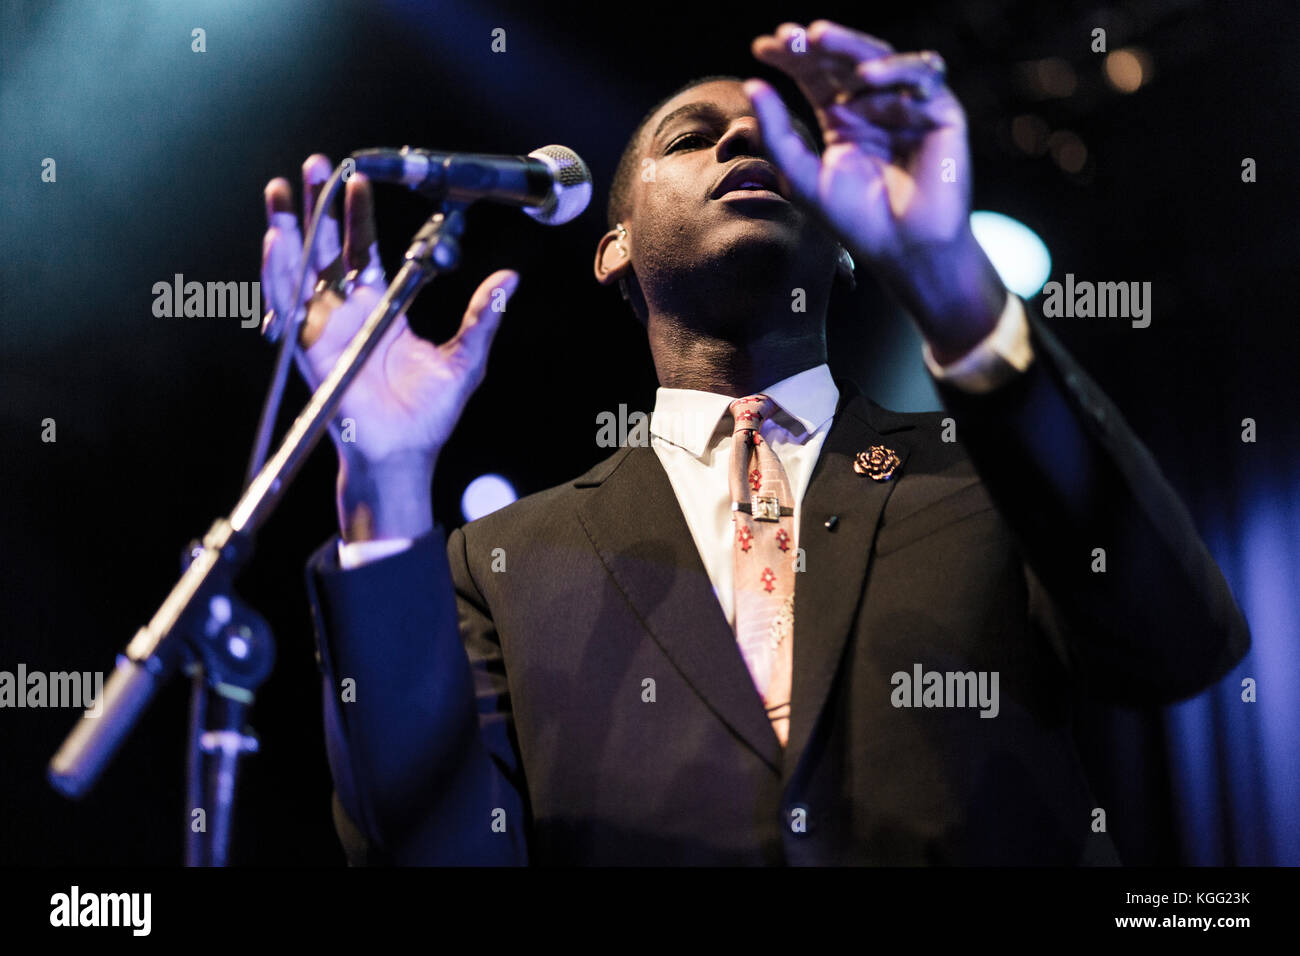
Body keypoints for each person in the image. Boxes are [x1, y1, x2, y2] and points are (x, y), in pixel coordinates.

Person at [260, 21, 1249, 864]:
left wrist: (951, 276)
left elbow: (1179, 646)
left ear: (842, 234)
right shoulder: (503, 560)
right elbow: (432, 852)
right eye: (694, 136)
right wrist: (382, 474)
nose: (745, 139)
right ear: (612, 249)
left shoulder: (990, 474)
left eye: (781, 134)